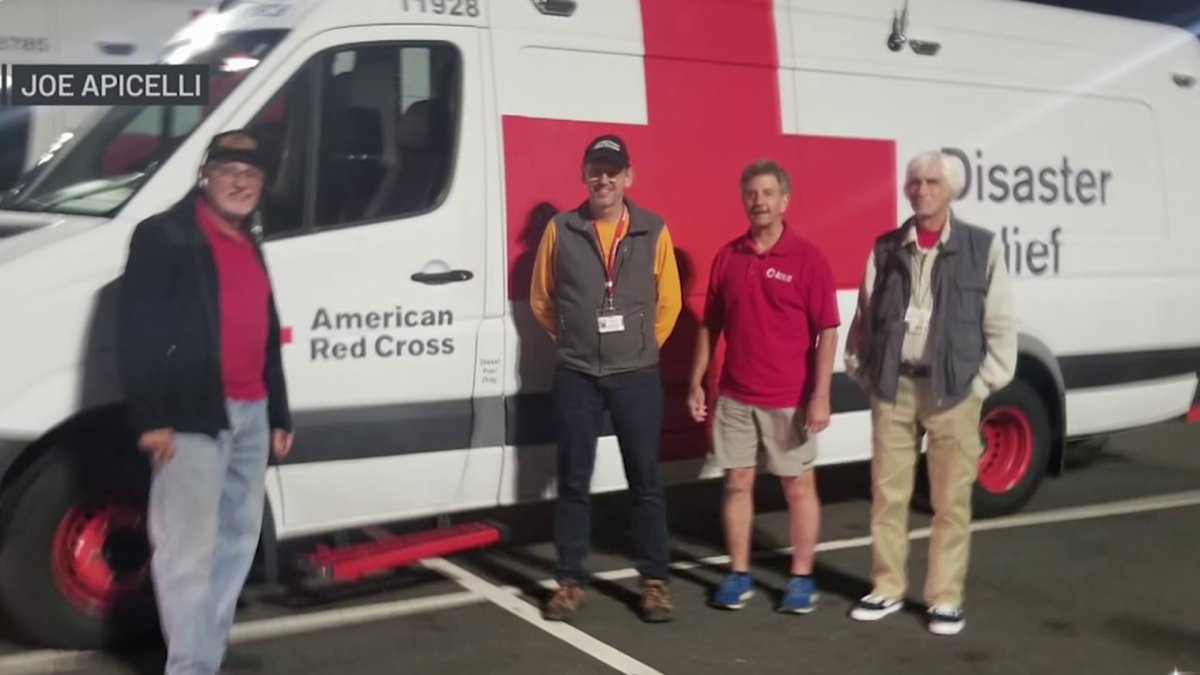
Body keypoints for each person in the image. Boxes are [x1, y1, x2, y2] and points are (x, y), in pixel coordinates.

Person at [117, 130, 294, 674]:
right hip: (191, 417)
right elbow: (137, 331)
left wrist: (279, 413)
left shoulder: (249, 241)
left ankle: (204, 657)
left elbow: (265, 331)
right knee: (185, 554)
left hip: (251, 413)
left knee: (236, 545)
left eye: (252, 173)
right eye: (228, 169)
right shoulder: (165, 235)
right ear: (205, 175)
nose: (241, 181)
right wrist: (151, 418)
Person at [843, 150, 1016, 636]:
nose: (921, 189)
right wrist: (866, 374)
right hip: (894, 388)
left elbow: (1000, 325)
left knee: (950, 501)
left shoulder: (982, 249)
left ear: (951, 190)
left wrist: (981, 384)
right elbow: (864, 319)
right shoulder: (885, 248)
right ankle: (887, 586)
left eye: (932, 182)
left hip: (953, 392)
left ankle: (944, 598)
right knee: (887, 495)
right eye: (914, 181)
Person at [530, 134, 683, 623]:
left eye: (612, 170)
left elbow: (671, 302)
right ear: (584, 176)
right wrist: (573, 339)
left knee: (645, 481)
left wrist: (641, 347)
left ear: (627, 178)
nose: (604, 178)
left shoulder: (653, 230)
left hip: (636, 376)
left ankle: (655, 582)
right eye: (595, 169)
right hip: (577, 375)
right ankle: (570, 582)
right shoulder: (560, 229)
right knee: (573, 481)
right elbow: (541, 299)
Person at [687, 160, 840, 614]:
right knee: (736, 483)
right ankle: (738, 574)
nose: (759, 201)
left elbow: (828, 330)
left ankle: (801, 577)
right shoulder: (728, 258)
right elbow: (711, 324)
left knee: (798, 487)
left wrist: (821, 394)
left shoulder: (807, 259)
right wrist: (697, 381)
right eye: (752, 193)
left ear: (784, 201)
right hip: (735, 395)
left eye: (768, 193)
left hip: (789, 398)